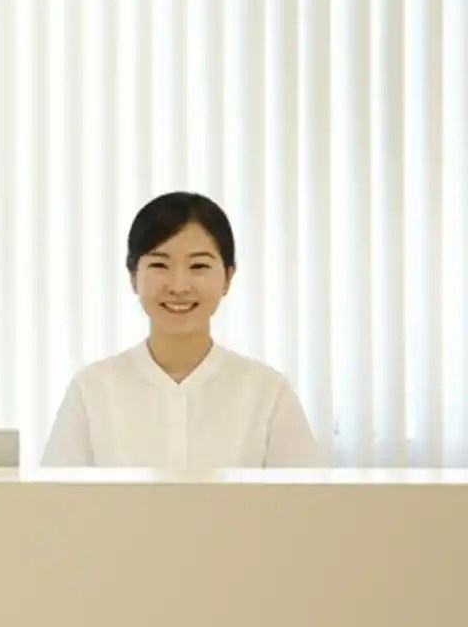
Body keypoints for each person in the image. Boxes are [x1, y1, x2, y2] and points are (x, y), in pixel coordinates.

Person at [40, 192, 324, 468]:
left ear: (227, 277)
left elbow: (309, 508)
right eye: (160, 264)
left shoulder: (268, 393)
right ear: (133, 276)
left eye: (198, 265)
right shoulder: (92, 390)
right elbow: (54, 506)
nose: (179, 286)